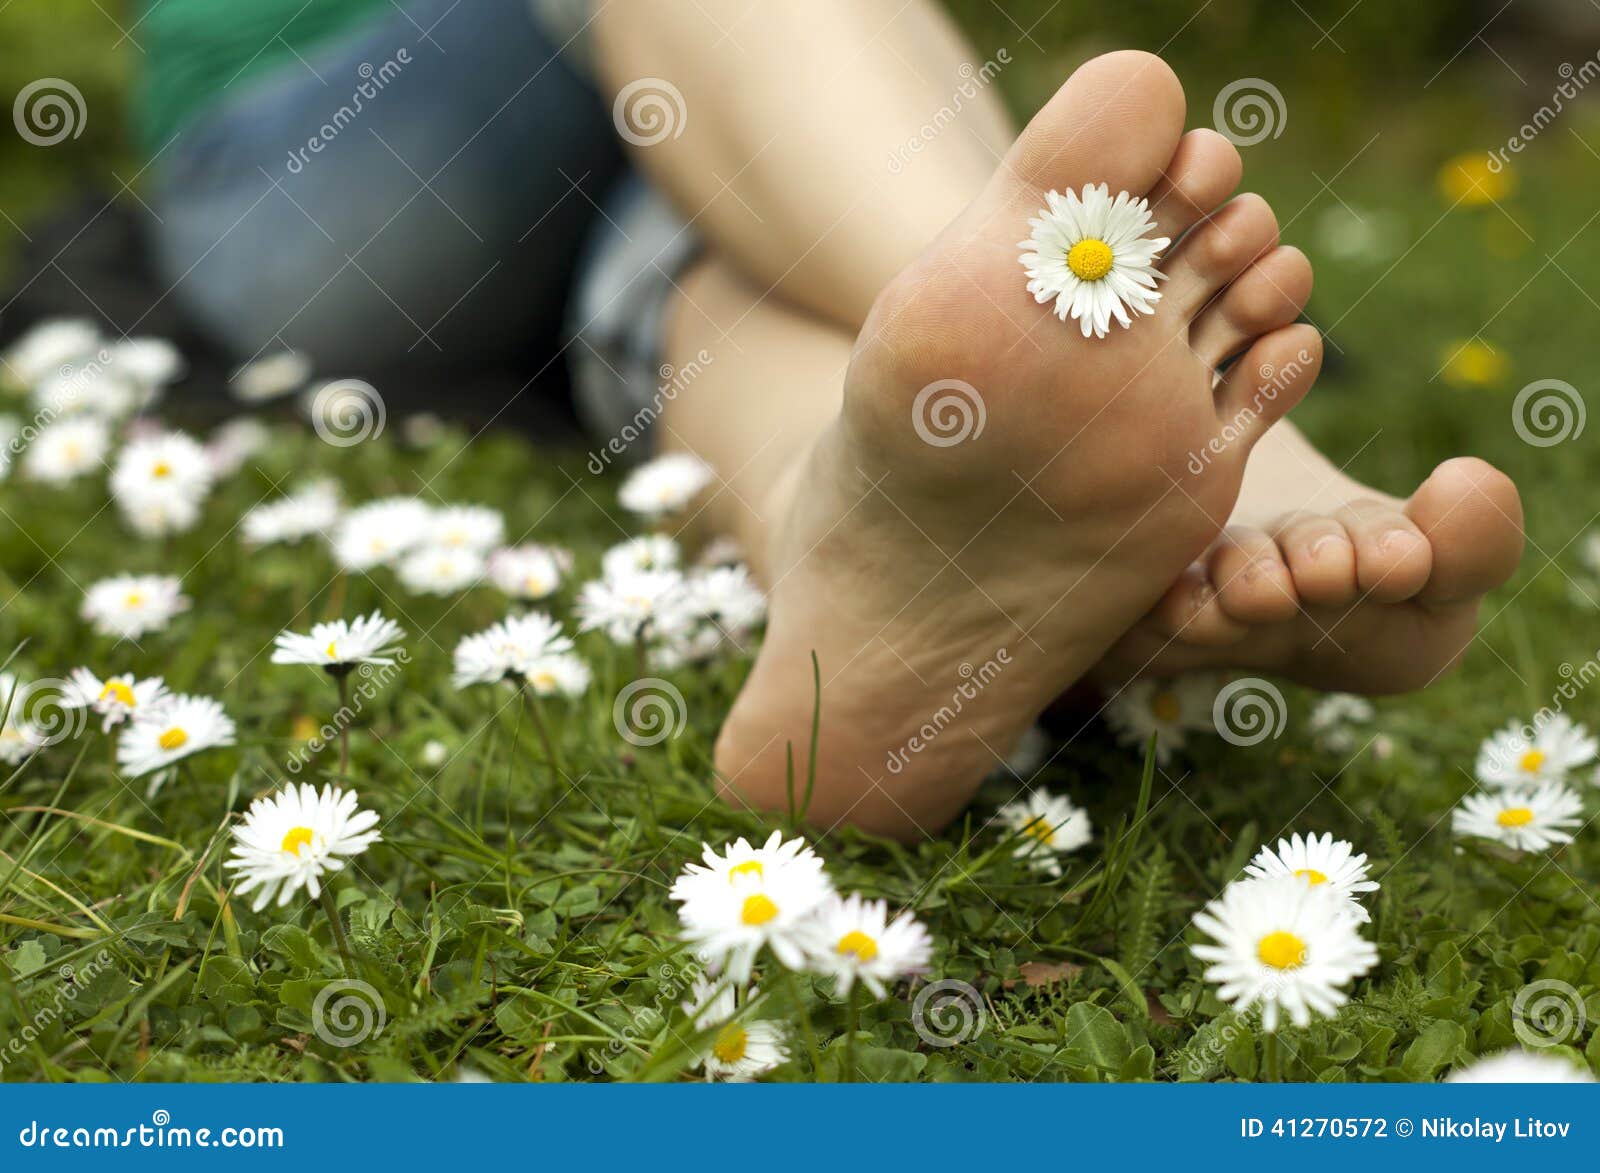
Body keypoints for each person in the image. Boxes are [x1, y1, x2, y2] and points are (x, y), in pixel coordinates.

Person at [139, 1, 1524, 840]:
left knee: (715, 241)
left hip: (673, 139)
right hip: (313, 171)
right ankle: (1125, 369)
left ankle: (832, 512)